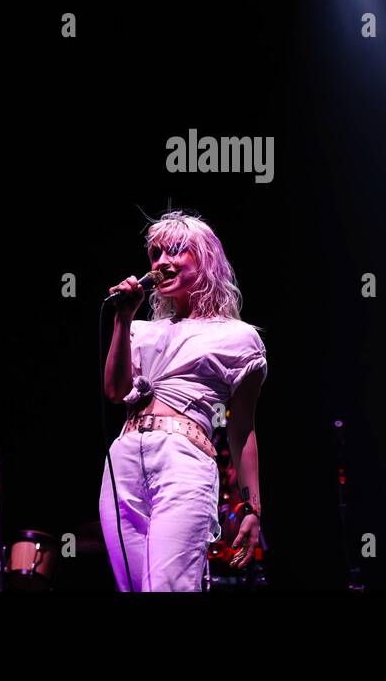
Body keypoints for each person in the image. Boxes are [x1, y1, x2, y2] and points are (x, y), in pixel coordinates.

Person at [100, 210, 267, 591]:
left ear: (206, 258)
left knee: (168, 585)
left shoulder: (238, 338)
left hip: (184, 458)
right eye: (155, 254)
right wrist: (123, 319)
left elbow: (242, 430)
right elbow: (114, 391)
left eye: (176, 250)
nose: (161, 262)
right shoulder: (141, 331)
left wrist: (252, 509)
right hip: (124, 460)